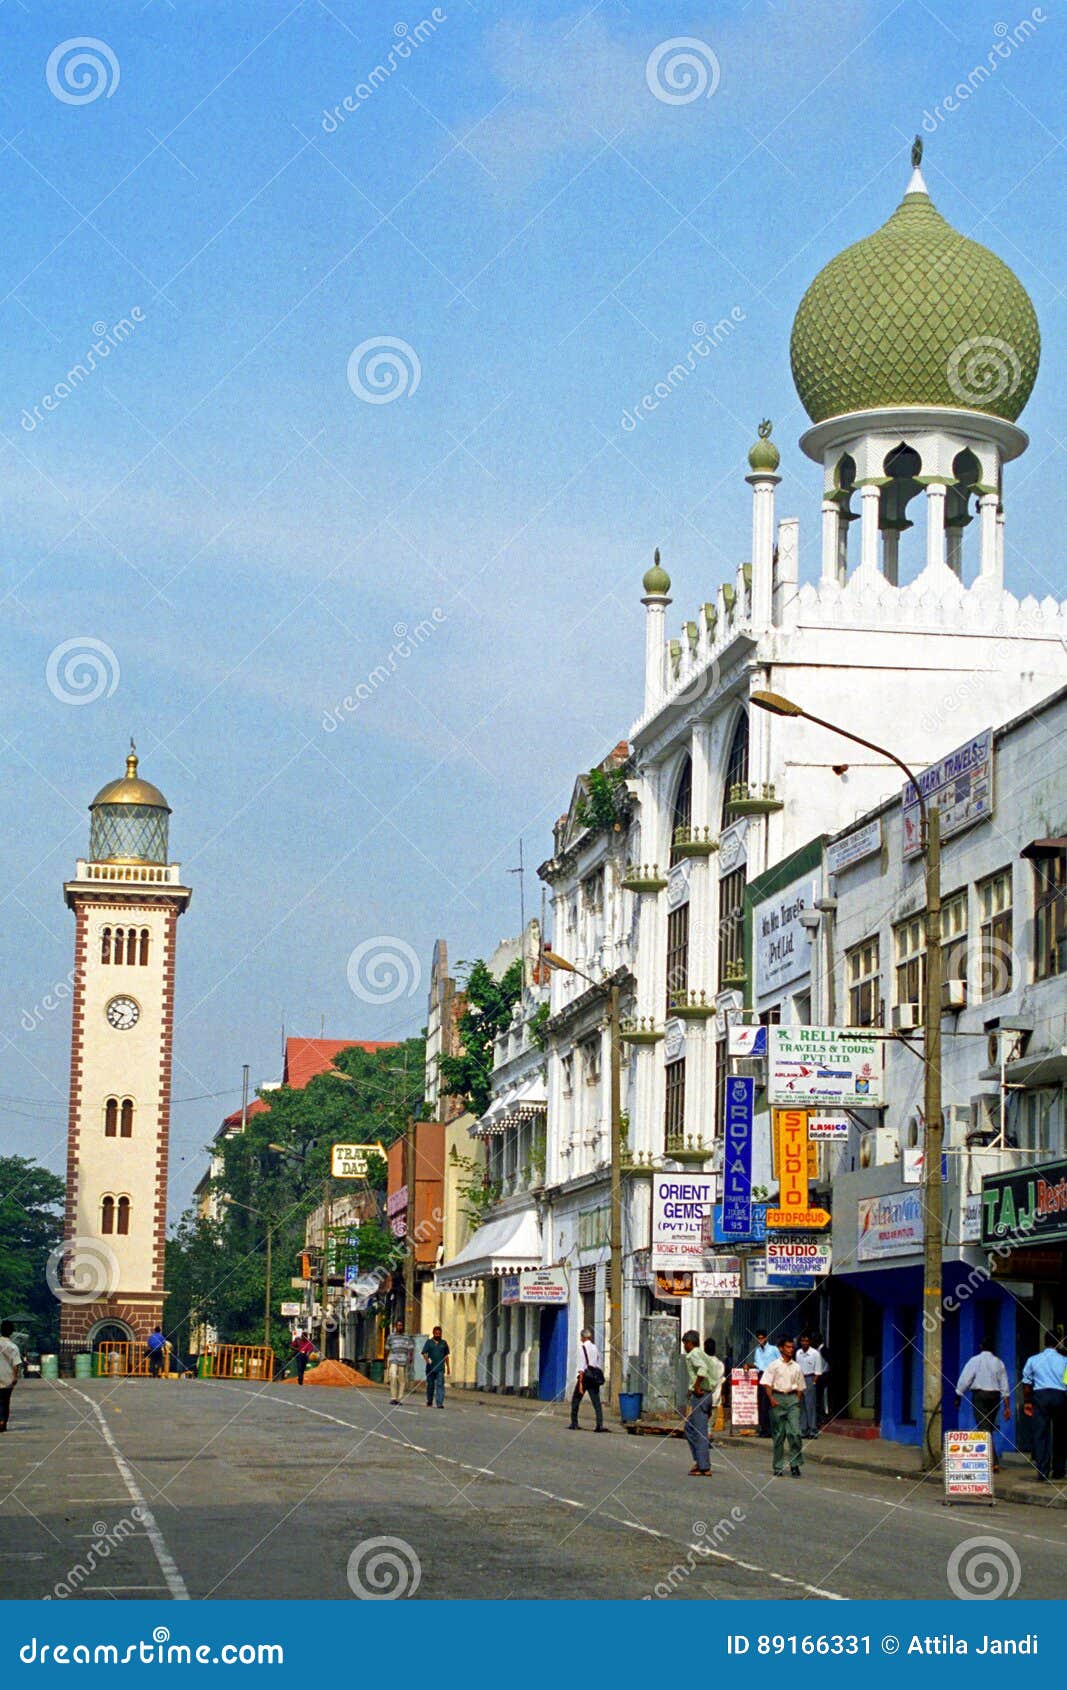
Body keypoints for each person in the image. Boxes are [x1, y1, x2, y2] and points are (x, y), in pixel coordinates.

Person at [955, 1339, 1011, 1472]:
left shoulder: (975, 1360)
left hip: (980, 1396)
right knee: (988, 1427)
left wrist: (958, 1395)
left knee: (984, 1428)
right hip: (995, 1397)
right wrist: (1007, 1407)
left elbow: (965, 1379)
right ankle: (991, 1460)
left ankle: (993, 1462)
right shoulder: (999, 1363)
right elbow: (1005, 1386)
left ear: (981, 1346)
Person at [1021, 1332, 1067, 1481]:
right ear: (1058, 1343)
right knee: (1060, 1433)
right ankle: (1059, 1470)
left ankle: (1042, 1470)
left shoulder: (1033, 1360)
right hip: (1060, 1396)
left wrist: (1027, 1402)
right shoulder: (1065, 1360)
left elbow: (1026, 1384)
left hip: (1040, 1396)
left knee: (1041, 1434)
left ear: (1044, 1341)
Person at [760, 1336, 806, 1477]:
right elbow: (767, 1383)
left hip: (792, 1399)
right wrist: (771, 1399)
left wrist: (797, 1400)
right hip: (778, 1398)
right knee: (779, 1434)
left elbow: (800, 1387)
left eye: (792, 1347)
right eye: (788, 1347)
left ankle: (795, 1464)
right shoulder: (774, 1365)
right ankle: (778, 1466)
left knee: (795, 1433)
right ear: (781, 1348)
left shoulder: (796, 1367)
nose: (791, 1349)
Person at [682, 1330, 722, 1475]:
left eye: (685, 1344)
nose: (684, 1347)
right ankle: (699, 1460)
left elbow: (702, 1370)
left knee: (699, 1431)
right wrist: (692, 1388)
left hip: (701, 1395)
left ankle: (703, 1466)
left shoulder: (694, 1354)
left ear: (689, 1343)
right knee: (690, 1428)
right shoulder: (702, 1354)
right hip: (706, 1395)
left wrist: (697, 1386)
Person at [568, 1328, 607, 1432]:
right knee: (596, 1402)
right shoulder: (595, 1347)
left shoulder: (582, 1348)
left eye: (581, 1337)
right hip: (593, 1376)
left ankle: (574, 1423)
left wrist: (580, 1383)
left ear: (583, 1337)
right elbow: (598, 1362)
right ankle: (599, 1425)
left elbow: (581, 1366)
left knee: (576, 1400)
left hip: (585, 1376)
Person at [796, 1333, 825, 1438]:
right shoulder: (798, 1353)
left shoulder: (815, 1353)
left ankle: (813, 1430)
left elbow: (818, 1371)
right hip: (800, 1378)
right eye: (803, 1341)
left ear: (810, 1342)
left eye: (807, 1341)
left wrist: (813, 1382)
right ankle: (803, 1430)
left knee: (810, 1406)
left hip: (810, 1378)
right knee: (802, 1406)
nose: (804, 1343)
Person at [752, 1331, 780, 1439]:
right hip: (761, 1375)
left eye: (762, 1338)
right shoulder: (757, 1351)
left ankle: (772, 1429)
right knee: (762, 1404)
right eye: (758, 1338)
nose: (760, 1340)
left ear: (766, 1338)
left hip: (771, 1376)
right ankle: (764, 1429)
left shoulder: (773, 1349)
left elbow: (780, 1362)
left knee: (770, 1403)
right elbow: (757, 1364)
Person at [0, 1320, 21, 1433]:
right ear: (11, 1332)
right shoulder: (13, 1347)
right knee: (5, 1401)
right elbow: (15, 1365)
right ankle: (3, 1421)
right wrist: (15, 1377)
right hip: (7, 1378)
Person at [422, 1326, 451, 1408]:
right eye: (436, 1333)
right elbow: (424, 1352)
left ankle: (439, 1403)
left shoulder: (444, 1343)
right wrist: (427, 1360)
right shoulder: (429, 1342)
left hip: (440, 1368)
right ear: (433, 1333)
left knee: (440, 1385)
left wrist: (448, 1367)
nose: (438, 1335)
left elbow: (446, 1356)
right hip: (430, 1368)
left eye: (439, 1333)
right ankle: (429, 1400)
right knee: (430, 1385)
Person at [386, 1322, 413, 1404]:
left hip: (403, 1360)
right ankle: (393, 1397)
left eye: (401, 1325)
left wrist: (410, 1356)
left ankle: (399, 1399)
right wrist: (386, 1360)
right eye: (398, 1325)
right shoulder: (391, 1336)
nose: (400, 1327)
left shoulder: (406, 1337)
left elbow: (410, 1348)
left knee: (402, 1380)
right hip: (393, 1358)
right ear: (395, 1326)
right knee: (393, 1376)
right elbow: (387, 1348)